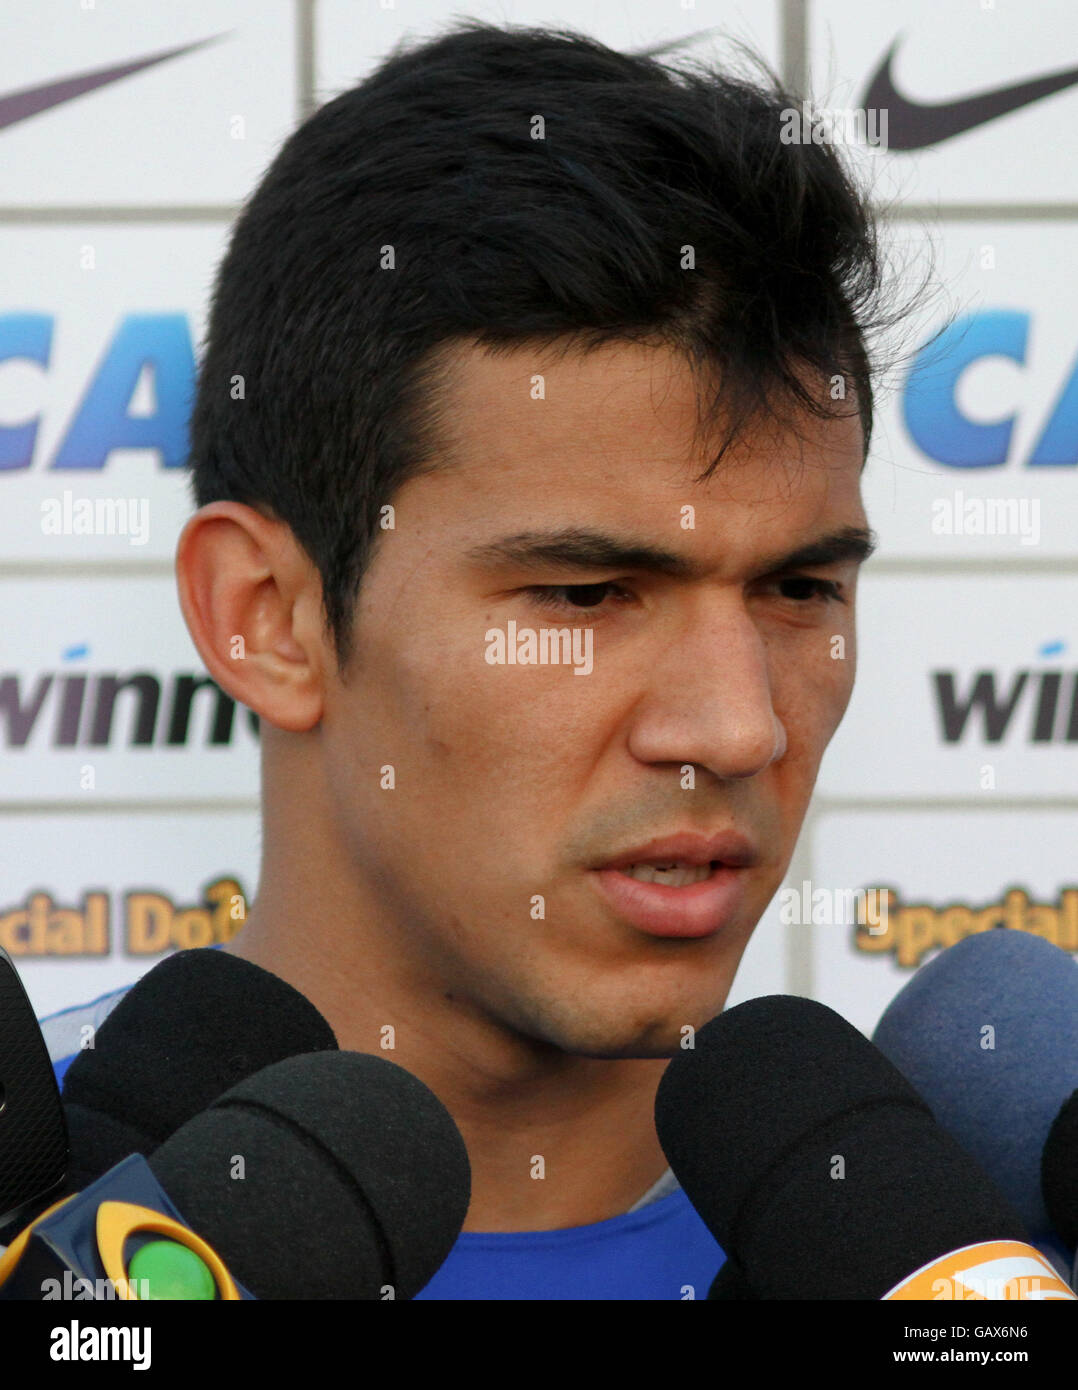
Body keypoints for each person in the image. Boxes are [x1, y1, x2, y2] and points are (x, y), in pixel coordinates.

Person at [43, 20, 901, 1298]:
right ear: (267, 617)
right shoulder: (46, 1235)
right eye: (588, 590)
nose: (737, 728)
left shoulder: (964, 1258)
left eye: (797, 585)